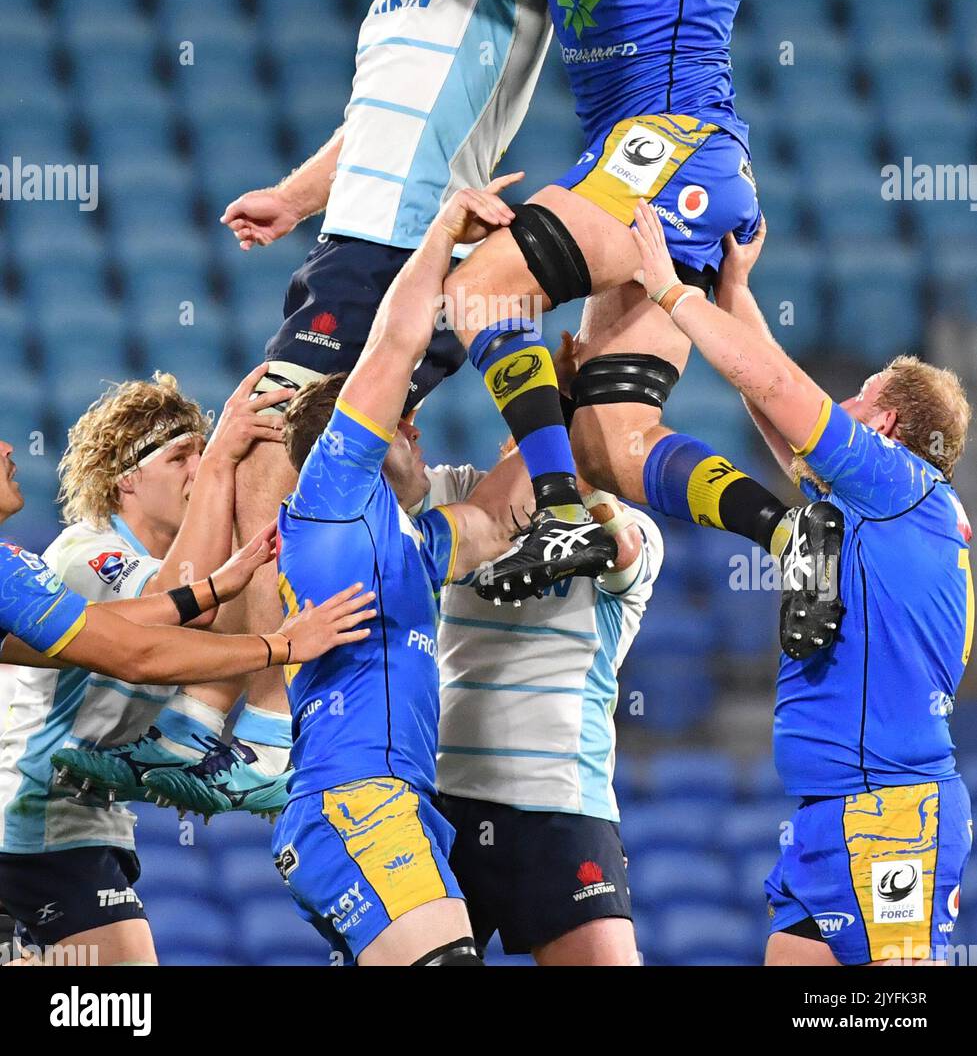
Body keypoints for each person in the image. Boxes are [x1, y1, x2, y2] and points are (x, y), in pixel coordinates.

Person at [289, 0, 842, 604]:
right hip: (645, 174)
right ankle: (791, 533)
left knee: (480, 291)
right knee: (609, 442)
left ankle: (557, 516)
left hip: (672, 144)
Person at [131, 0, 551, 815]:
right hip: (344, 255)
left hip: (415, 254)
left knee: (279, 456)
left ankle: (260, 736)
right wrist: (291, 196)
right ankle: (209, 726)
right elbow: (366, 126)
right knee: (247, 445)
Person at [630, 199, 974, 966]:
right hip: (831, 814)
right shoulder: (886, 504)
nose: (838, 404)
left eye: (859, 394)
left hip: (890, 811)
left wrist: (668, 290)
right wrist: (735, 294)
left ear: (883, 426)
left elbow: (779, 385)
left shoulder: (896, 482)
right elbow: (773, 400)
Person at [266, 174, 568, 966]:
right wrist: (443, 232)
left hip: (399, 805)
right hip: (355, 803)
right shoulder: (330, 493)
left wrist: (568, 391)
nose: (412, 426)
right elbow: (394, 345)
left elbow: (502, 518)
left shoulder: (404, 543)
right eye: (398, 421)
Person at [0, 437, 375, 964]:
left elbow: (93, 631)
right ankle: (240, 737)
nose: (7, 448)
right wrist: (281, 645)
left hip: (63, 823)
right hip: (44, 824)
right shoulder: (78, 552)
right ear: (126, 477)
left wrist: (215, 589)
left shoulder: (11, 566)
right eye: (178, 456)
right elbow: (135, 654)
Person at [433, 445, 660, 965]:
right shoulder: (457, 491)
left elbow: (622, 551)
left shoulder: (635, 528)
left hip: (559, 804)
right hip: (440, 799)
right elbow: (395, 481)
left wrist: (580, 485)